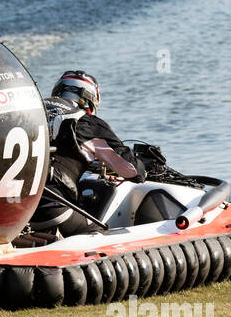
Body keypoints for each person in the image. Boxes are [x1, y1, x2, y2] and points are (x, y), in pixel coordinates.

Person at [27, 70, 145, 237]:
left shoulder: (30, 112)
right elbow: (133, 172)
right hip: (50, 209)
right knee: (103, 236)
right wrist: (143, 166)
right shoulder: (85, 122)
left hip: (12, 211)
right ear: (90, 99)